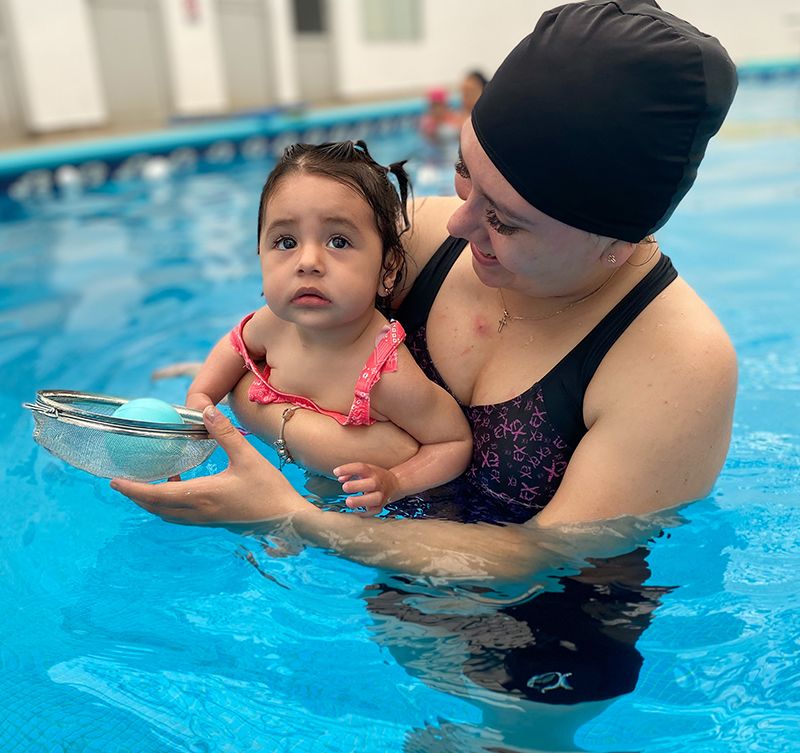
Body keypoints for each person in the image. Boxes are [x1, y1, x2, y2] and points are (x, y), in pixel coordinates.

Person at [113, 3, 738, 744]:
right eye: (465, 175)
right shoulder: (421, 239)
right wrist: (253, 378)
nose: (457, 222)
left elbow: (535, 556)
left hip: (535, 636)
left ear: (617, 238)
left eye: (505, 220)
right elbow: (289, 316)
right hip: (383, 567)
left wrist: (295, 517)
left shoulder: (675, 362)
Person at [180, 140, 472, 514]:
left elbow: (453, 443)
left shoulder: (386, 374)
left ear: (389, 270)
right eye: (285, 242)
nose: (308, 261)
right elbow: (236, 347)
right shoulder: (274, 324)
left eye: (339, 241)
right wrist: (201, 399)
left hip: (372, 503)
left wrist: (397, 482)